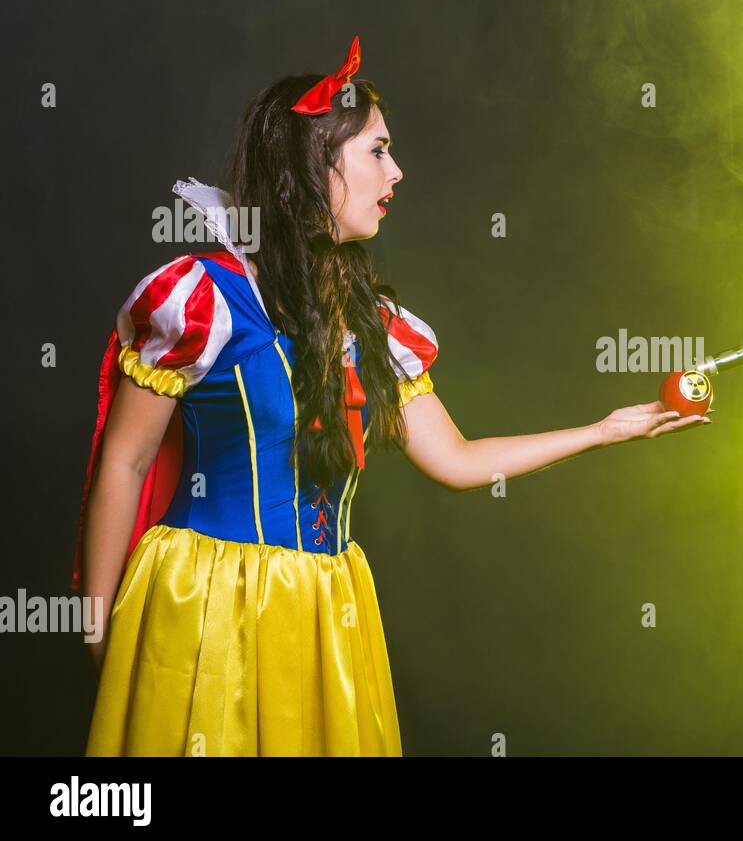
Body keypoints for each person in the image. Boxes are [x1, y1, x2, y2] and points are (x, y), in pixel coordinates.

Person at [75, 37, 709, 756]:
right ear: (316, 168)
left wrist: (606, 429)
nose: (396, 171)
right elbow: (123, 468)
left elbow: (458, 459)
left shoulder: (374, 324)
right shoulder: (201, 299)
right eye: (378, 151)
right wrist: (102, 638)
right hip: (206, 603)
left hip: (329, 608)